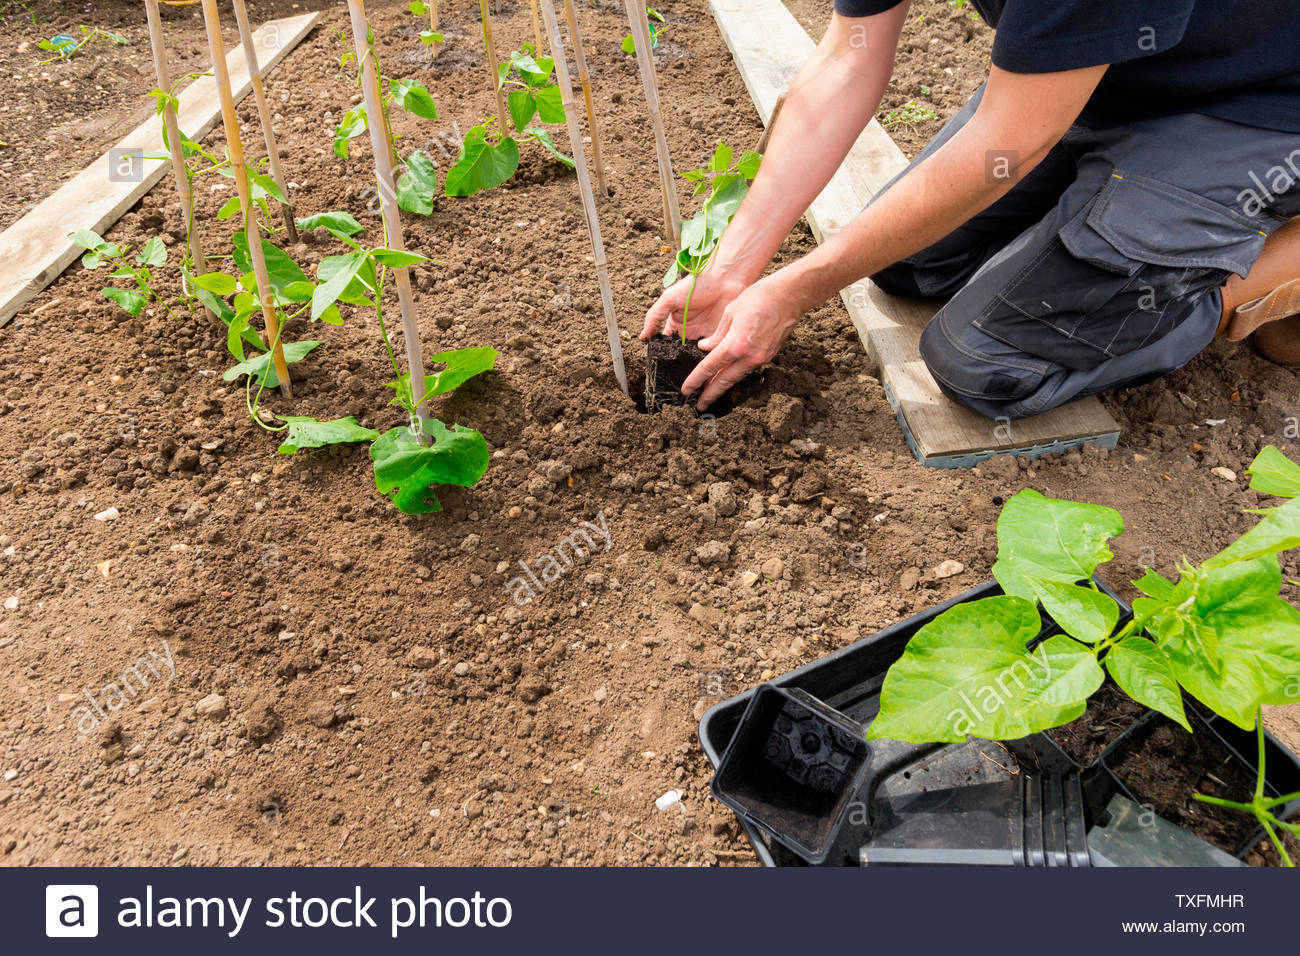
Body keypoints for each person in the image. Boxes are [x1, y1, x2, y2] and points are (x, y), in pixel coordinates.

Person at [639, 0, 1300, 417]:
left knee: (984, 365)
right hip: (1109, 75)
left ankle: (1264, 267)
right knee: (911, 264)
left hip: (1254, 114)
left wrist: (794, 291)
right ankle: (1125, 211)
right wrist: (736, 264)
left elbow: (1006, 142)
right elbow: (847, 59)